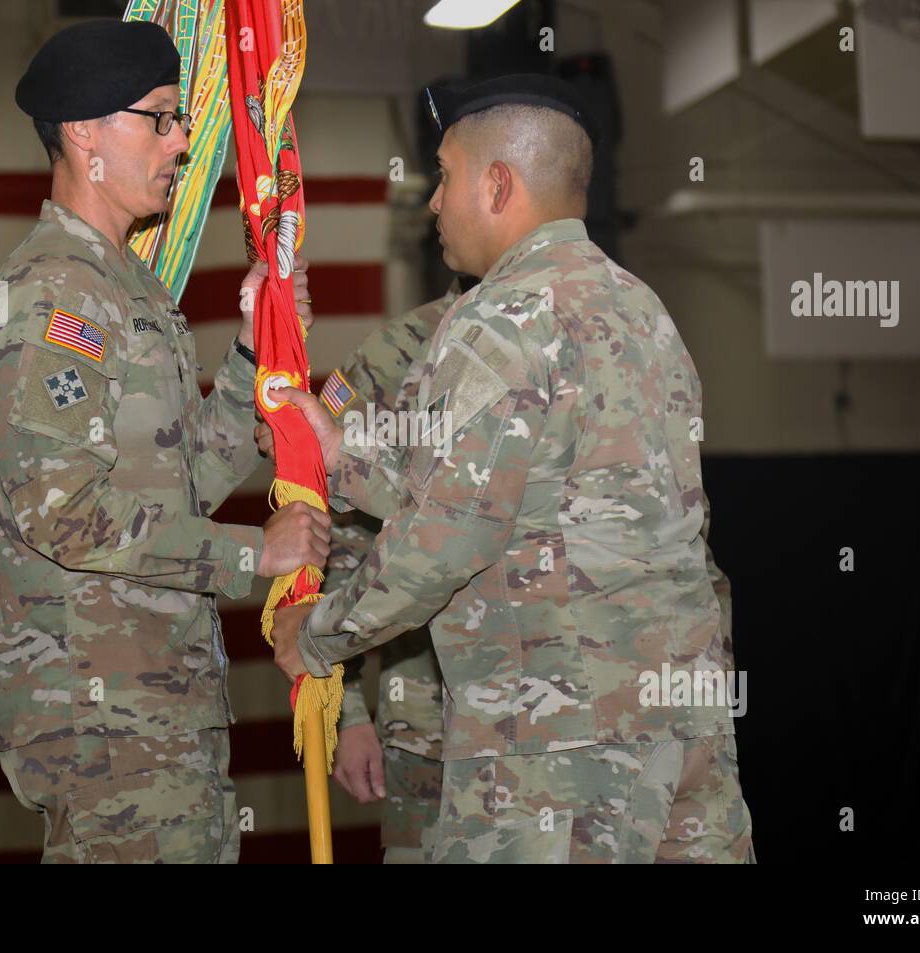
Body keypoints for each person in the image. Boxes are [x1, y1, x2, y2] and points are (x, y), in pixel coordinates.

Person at [266, 74, 754, 863]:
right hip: (682, 733)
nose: (431, 202)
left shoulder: (500, 316)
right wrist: (340, 453)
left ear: (498, 184)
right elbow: (526, 490)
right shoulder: (644, 312)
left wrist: (317, 637)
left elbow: (445, 538)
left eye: (446, 176)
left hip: (557, 748)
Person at [0, 19, 330, 863]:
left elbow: (184, 481)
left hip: (156, 703)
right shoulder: (54, 295)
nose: (181, 143)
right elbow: (64, 516)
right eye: (161, 118)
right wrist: (254, 556)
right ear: (86, 135)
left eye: (181, 121)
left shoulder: (123, 283)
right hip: (103, 719)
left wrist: (249, 353)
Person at [311, 281, 466, 863]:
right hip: (427, 721)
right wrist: (346, 713)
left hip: (552, 724)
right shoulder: (398, 350)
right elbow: (340, 536)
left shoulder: (572, 331)